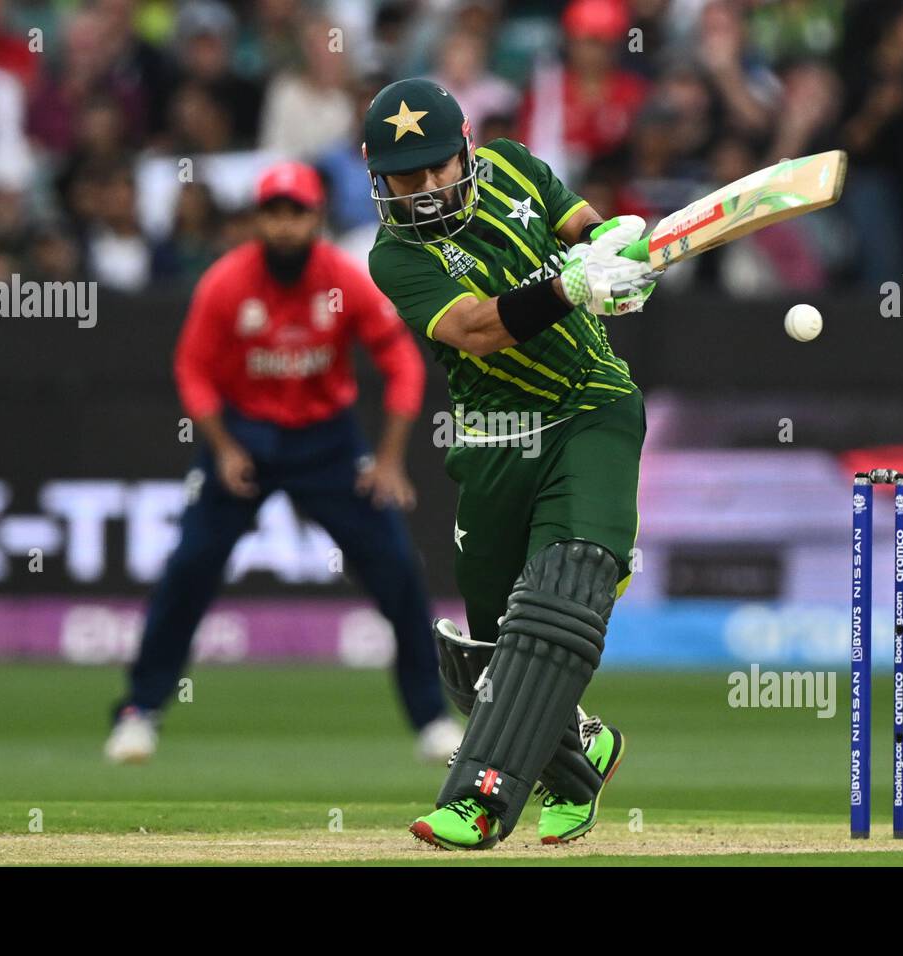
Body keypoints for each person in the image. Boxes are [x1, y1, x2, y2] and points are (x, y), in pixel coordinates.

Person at [363, 77, 659, 849]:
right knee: (490, 659)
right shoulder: (394, 258)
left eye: (437, 167)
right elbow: (478, 329)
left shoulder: (517, 166)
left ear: (466, 146)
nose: (427, 189)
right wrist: (573, 284)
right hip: (495, 443)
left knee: (564, 588)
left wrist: (617, 253)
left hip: (591, 406)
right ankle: (581, 756)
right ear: (373, 172)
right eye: (407, 177)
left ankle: (480, 800)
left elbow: (587, 229)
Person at [105, 160, 461, 766]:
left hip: (328, 443)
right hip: (246, 440)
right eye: (274, 213)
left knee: (398, 570)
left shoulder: (343, 280)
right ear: (258, 220)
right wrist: (223, 447)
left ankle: (430, 718)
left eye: (297, 213)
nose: (285, 226)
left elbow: (402, 363)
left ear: (317, 217)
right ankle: (141, 711)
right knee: (189, 567)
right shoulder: (225, 284)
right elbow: (193, 369)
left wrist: (392, 460)